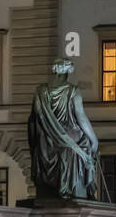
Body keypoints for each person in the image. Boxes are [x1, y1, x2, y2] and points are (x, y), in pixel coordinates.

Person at [27, 58, 100, 199]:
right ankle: (81, 190)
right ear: (67, 72)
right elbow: (82, 118)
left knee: (72, 143)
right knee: (85, 142)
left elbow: (33, 121)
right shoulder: (73, 91)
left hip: (46, 142)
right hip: (68, 135)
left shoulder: (40, 92)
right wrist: (94, 140)